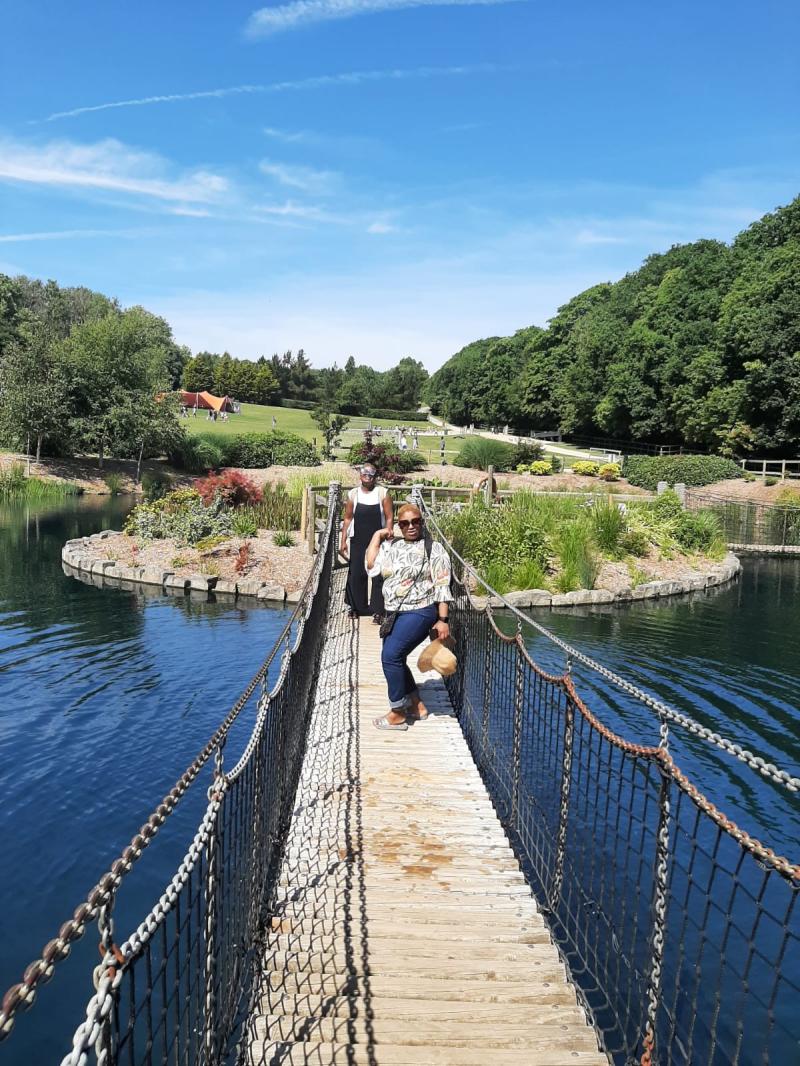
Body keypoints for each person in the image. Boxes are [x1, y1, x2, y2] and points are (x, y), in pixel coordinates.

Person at [366, 503, 453, 730]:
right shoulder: (392, 546)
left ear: (422, 523)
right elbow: (371, 565)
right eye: (405, 523)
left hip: (420, 611)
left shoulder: (434, 549)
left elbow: (442, 586)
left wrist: (443, 620)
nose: (411, 526)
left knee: (391, 656)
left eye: (416, 522)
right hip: (394, 612)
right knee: (395, 657)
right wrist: (377, 536)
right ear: (399, 526)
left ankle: (397, 712)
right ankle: (417, 705)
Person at [340, 465, 393, 623]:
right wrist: (343, 540)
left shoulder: (382, 493)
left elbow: (389, 517)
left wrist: (389, 534)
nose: (368, 475)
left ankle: (378, 610)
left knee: (378, 574)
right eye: (365, 473)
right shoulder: (353, 494)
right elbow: (348, 518)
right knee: (356, 573)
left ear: (375, 476)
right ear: (360, 475)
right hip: (357, 539)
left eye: (372, 473)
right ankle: (355, 607)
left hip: (378, 539)